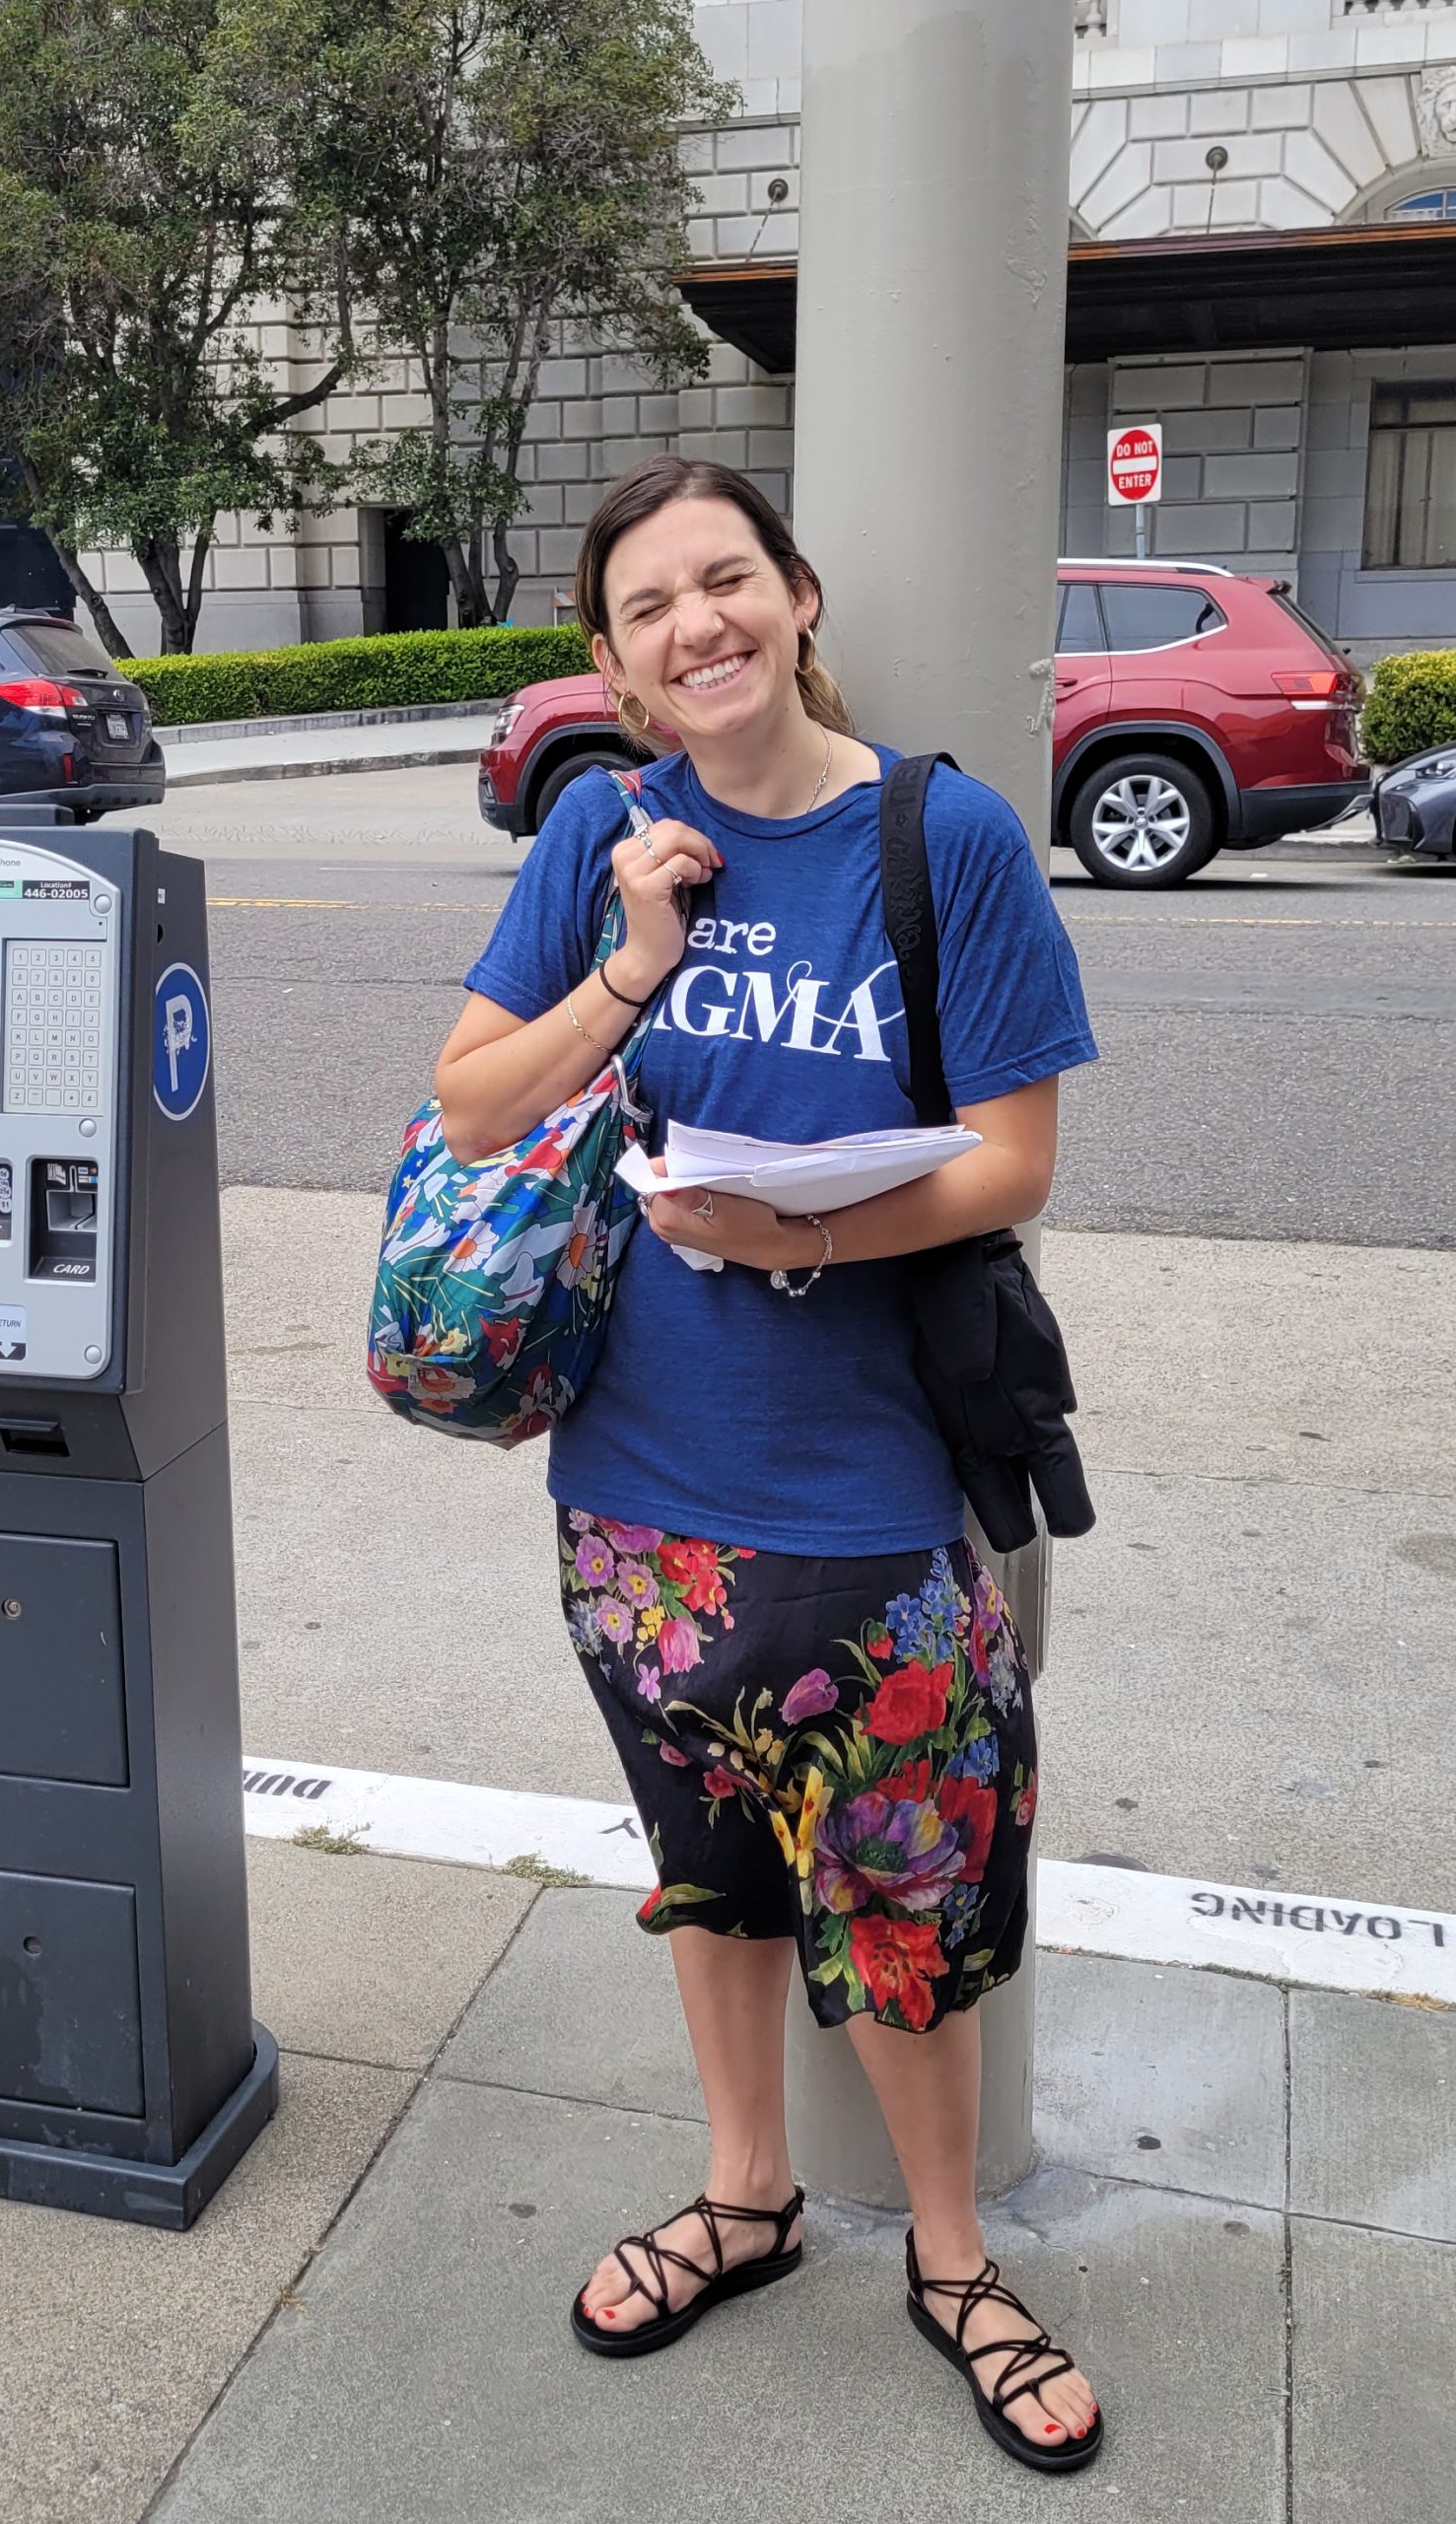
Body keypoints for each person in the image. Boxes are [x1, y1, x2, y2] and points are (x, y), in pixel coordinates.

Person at [433, 456, 1102, 2474]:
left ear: (799, 596)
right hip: (634, 1481)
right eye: (646, 607)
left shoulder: (943, 833)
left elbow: (1013, 1155)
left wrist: (800, 1230)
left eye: (725, 580)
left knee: (905, 1891)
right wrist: (629, 958)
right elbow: (471, 1107)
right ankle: (746, 2193)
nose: (692, 624)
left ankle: (959, 2255)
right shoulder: (597, 831)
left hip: (874, 1485)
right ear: (615, 661)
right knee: (709, 1879)